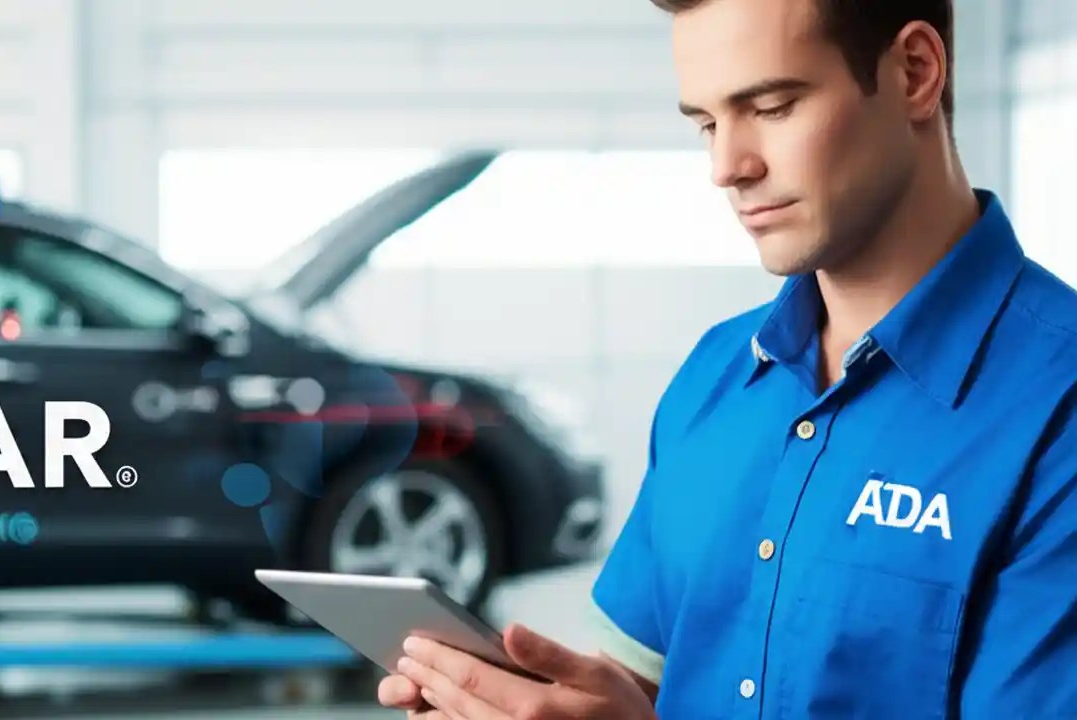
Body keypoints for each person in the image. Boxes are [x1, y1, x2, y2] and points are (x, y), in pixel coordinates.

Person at [378, 0, 1077, 717]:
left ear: (914, 73)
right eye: (707, 124)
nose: (727, 167)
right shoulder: (713, 378)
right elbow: (639, 685)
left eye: (772, 107)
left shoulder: (1060, 411)